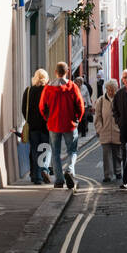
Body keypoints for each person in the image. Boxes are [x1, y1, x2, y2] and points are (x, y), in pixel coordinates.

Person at [39, 61, 85, 190]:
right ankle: (70, 170)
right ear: (67, 71)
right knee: (72, 150)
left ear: (55, 72)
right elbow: (80, 105)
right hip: (70, 124)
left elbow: (42, 107)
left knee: (55, 153)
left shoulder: (48, 88)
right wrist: (78, 119)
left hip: (54, 125)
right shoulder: (73, 86)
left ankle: (59, 181)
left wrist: (47, 119)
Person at [22, 68, 51, 184]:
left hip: (33, 126)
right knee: (44, 149)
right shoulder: (48, 90)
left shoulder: (28, 91)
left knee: (34, 150)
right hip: (45, 126)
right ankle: (42, 171)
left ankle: (36, 176)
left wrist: (29, 120)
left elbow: (24, 109)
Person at [95, 78, 122, 182]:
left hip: (117, 131)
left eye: (113, 89)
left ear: (116, 89)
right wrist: (99, 129)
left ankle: (118, 171)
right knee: (106, 155)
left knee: (118, 154)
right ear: (106, 89)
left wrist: (121, 127)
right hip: (105, 132)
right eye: (109, 89)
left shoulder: (120, 99)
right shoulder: (100, 100)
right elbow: (97, 117)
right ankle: (108, 175)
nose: (111, 91)